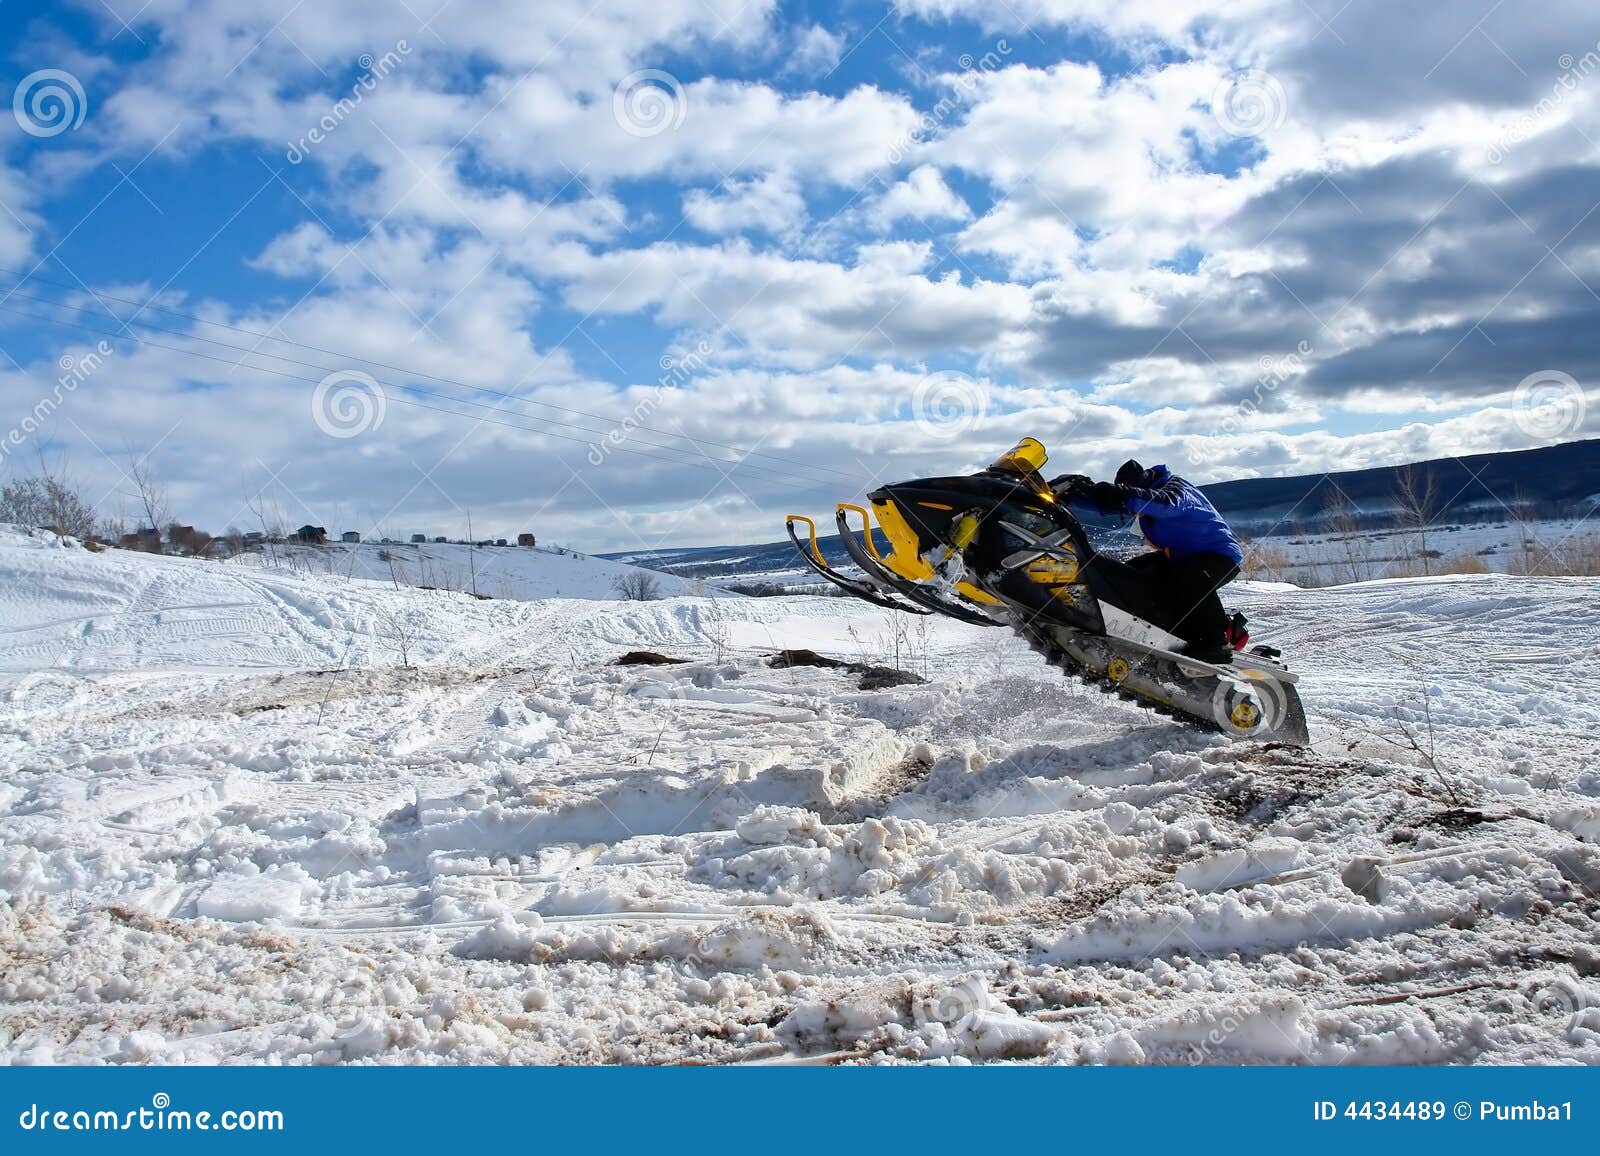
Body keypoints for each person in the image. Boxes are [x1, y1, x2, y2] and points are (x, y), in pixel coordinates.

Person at [1055, 460, 1244, 661]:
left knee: (1189, 579)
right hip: (1180, 557)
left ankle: (1215, 643)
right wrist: (1073, 495)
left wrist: (1124, 494)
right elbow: (1111, 505)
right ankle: (1145, 624)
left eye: (1131, 489)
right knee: (1134, 572)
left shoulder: (1176, 488)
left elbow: (1164, 504)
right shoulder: (1146, 497)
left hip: (1219, 556)